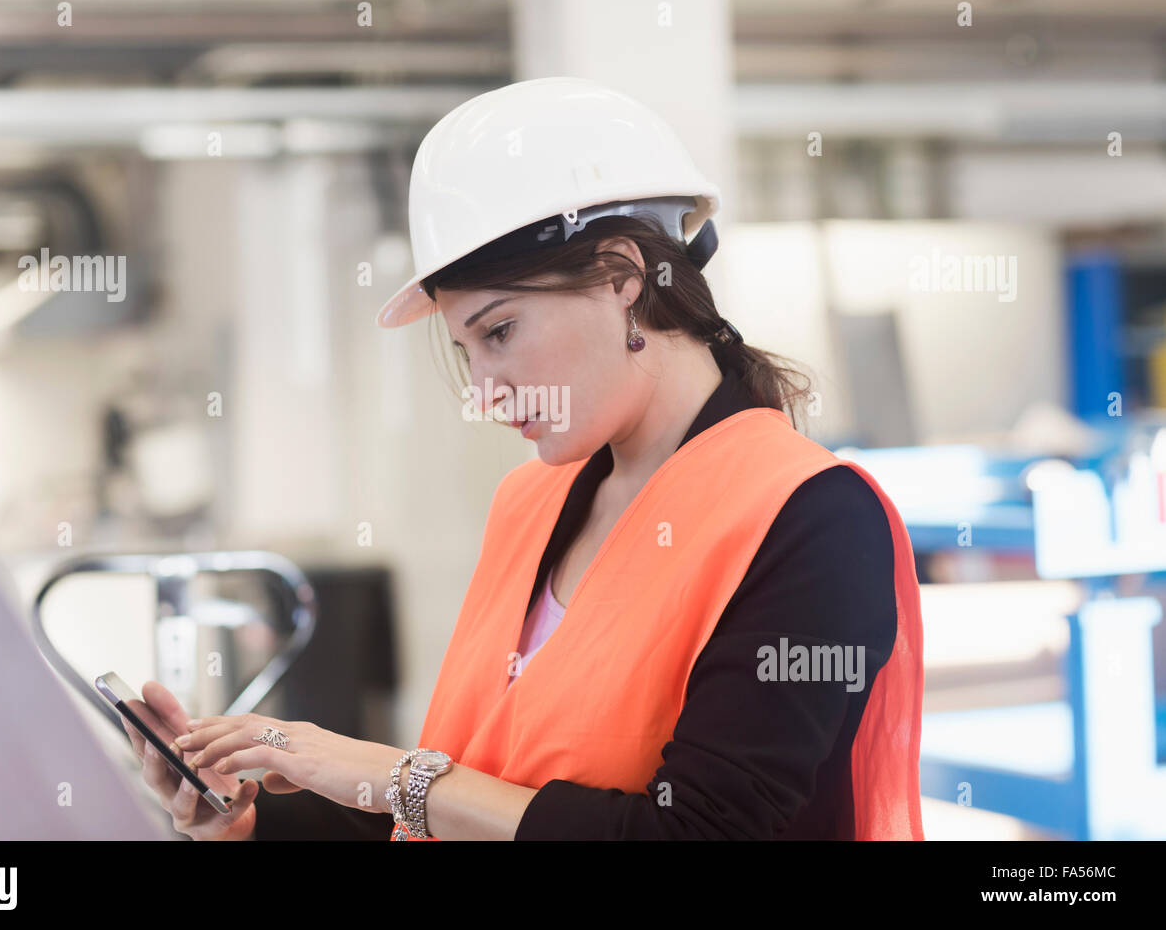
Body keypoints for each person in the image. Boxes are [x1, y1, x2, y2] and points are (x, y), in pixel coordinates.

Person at [124, 76, 925, 840]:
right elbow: (479, 805)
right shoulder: (531, 504)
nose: (485, 390)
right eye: (466, 349)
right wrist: (248, 818)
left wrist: (393, 773)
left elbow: (694, 831)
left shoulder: (810, 519)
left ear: (623, 277)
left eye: (500, 332)